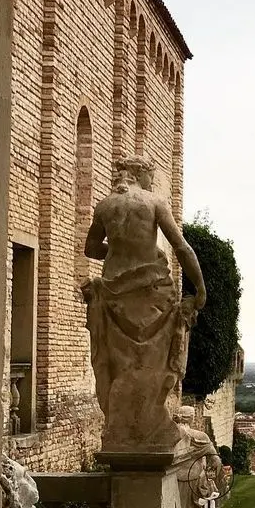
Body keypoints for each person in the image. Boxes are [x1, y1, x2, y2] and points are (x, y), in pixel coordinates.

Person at [81, 156, 206, 452]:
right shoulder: (153, 202)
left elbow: (90, 249)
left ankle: (124, 430)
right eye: (151, 177)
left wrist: (120, 252)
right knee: (154, 362)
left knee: (121, 365)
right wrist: (200, 289)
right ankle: (149, 427)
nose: (151, 182)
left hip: (115, 296)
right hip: (152, 295)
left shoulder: (105, 206)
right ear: (141, 174)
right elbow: (181, 247)